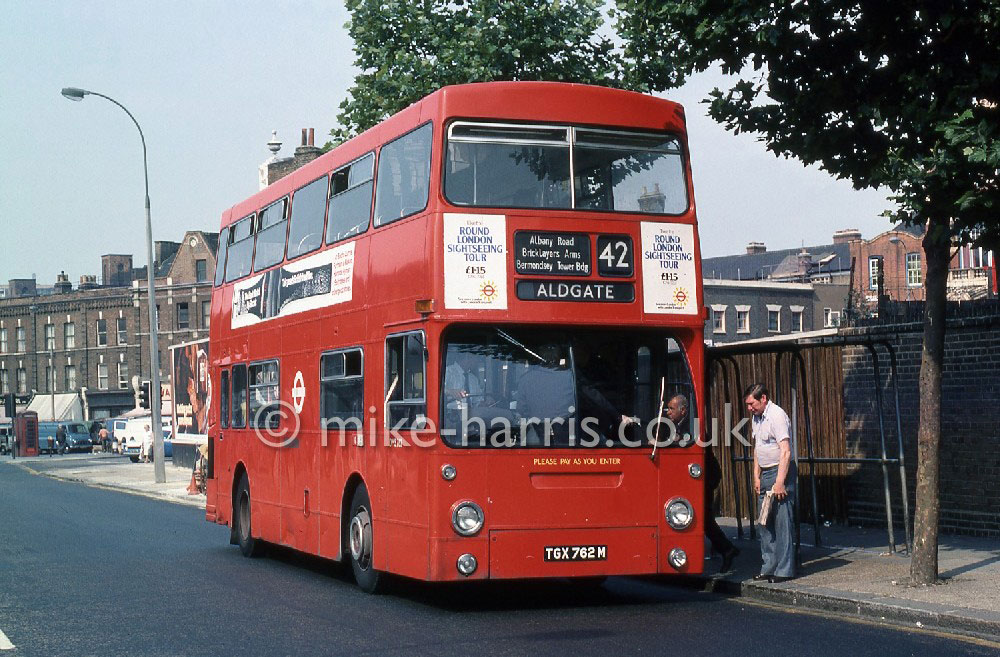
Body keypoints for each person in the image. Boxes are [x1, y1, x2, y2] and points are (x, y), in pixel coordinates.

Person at [665, 394, 739, 572]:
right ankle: (726, 549)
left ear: (683, 410)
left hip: (705, 478)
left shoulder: (694, 427)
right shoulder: (676, 426)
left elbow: (692, 448)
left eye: (671, 409)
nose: (668, 412)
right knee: (701, 517)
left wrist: (676, 443)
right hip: (695, 478)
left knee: (703, 518)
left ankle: (727, 549)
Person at [745, 382, 796, 582]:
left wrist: (780, 482)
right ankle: (769, 567)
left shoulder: (777, 415)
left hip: (779, 471)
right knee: (764, 522)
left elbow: (786, 451)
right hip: (765, 473)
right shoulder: (756, 418)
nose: (750, 408)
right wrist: (756, 476)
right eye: (748, 405)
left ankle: (784, 570)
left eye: (752, 404)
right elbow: (757, 448)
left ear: (763, 398)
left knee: (783, 523)